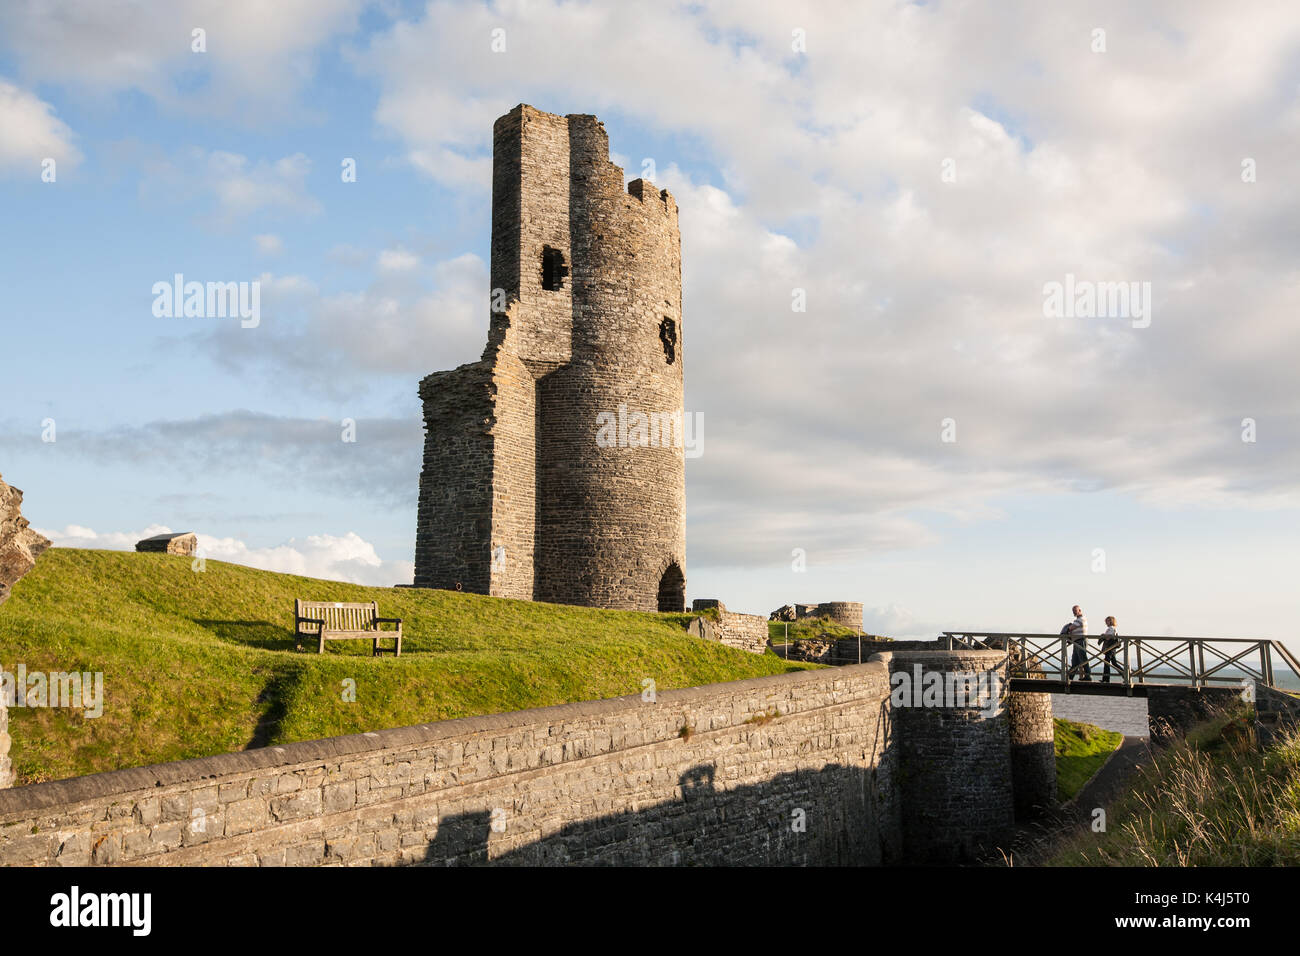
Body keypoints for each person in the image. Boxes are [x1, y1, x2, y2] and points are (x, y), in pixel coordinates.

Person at [1065, 605, 1090, 680]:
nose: (1074, 612)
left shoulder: (1081, 619)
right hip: (1077, 641)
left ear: (1080, 610)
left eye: (1075, 611)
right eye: (1073, 611)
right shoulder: (1078, 620)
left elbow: (1070, 628)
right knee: (1075, 660)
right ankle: (1070, 677)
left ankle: (1088, 676)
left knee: (1083, 659)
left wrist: (1067, 629)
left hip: (1081, 640)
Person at [1100, 616, 1121, 683]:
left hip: (1110, 647)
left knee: (1107, 662)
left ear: (1111, 621)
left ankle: (1106, 679)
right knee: (1114, 663)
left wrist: (1103, 635)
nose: (1106, 622)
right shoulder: (1112, 628)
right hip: (1111, 648)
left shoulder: (1111, 628)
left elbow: (1108, 637)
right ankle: (1124, 674)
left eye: (1108, 621)